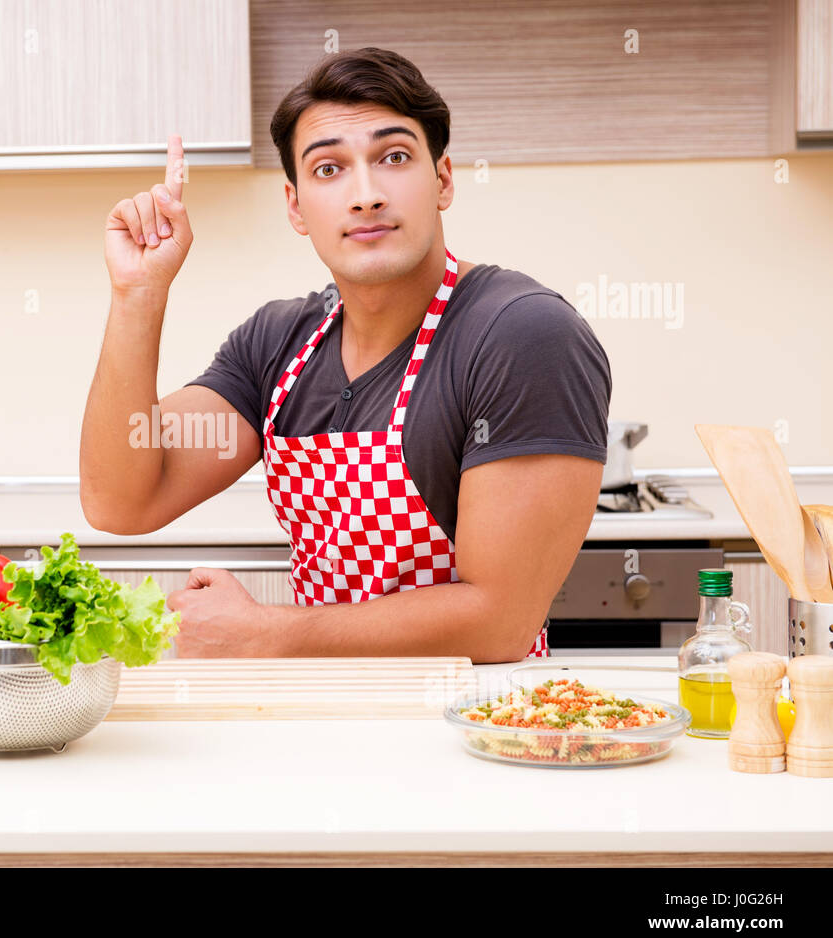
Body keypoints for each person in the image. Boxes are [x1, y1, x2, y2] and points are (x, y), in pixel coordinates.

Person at [80, 47, 611, 662]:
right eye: (329, 169)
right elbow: (121, 501)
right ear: (296, 205)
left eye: (392, 157)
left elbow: (499, 623)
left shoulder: (522, 335)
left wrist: (266, 634)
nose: (365, 196)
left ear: (441, 180)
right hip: (325, 717)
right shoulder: (278, 344)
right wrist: (138, 295)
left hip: (474, 731)